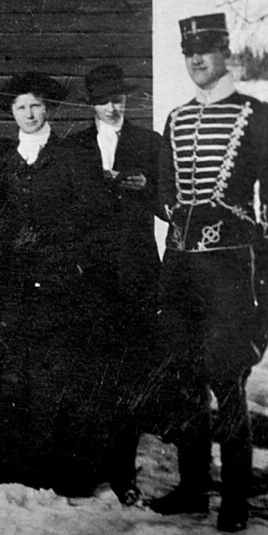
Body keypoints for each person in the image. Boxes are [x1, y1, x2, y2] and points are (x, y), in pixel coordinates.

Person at [152, 13, 268, 533]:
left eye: (206, 50)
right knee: (185, 377)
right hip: (181, 268)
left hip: (231, 270)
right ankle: (193, 489)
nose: (196, 59)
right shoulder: (176, 118)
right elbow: (165, 192)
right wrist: (172, 213)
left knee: (227, 379)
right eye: (189, 51)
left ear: (225, 53)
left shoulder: (257, 116)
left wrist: (261, 259)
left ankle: (235, 498)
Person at [0, 71, 114, 495]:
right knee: (18, 372)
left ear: (49, 109)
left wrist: (74, 266)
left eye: (36, 105)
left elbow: (96, 220)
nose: (29, 114)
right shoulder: (5, 162)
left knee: (59, 374)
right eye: (21, 107)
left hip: (62, 285)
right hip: (17, 285)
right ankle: (22, 469)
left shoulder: (73, 157)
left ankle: (66, 473)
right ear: (11, 113)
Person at [65, 62, 165, 505]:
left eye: (118, 100)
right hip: (90, 278)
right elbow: (65, 210)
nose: (112, 108)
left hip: (136, 275)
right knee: (91, 373)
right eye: (104, 101)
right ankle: (88, 468)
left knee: (128, 376)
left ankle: (124, 474)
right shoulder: (75, 147)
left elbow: (168, 205)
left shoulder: (149, 143)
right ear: (91, 104)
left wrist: (149, 189)